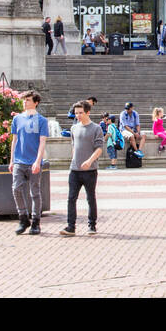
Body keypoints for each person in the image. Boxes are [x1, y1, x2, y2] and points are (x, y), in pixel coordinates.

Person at [61, 100, 104, 236]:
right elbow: (74, 146)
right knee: (71, 198)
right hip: (74, 170)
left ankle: (92, 225)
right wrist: (74, 160)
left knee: (90, 198)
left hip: (90, 170)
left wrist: (89, 161)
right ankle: (71, 226)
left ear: (87, 112)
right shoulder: (74, 128)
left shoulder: (96, 128)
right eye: (76, 113)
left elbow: (99, 149)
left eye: (80, 113)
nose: (78, 116)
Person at [10, 90, 49, 235]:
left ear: (36, 102)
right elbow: (14, 140)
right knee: (16, 189)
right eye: (24, 100)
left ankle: (36, 222)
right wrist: (12, 160)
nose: (24, 102)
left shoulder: (42, 121)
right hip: (19, 160)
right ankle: (23, 217)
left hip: (33, 161)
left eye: (28, 100)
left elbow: (42, 142)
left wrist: (38, 161)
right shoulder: (17, 119)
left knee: (35, 192)